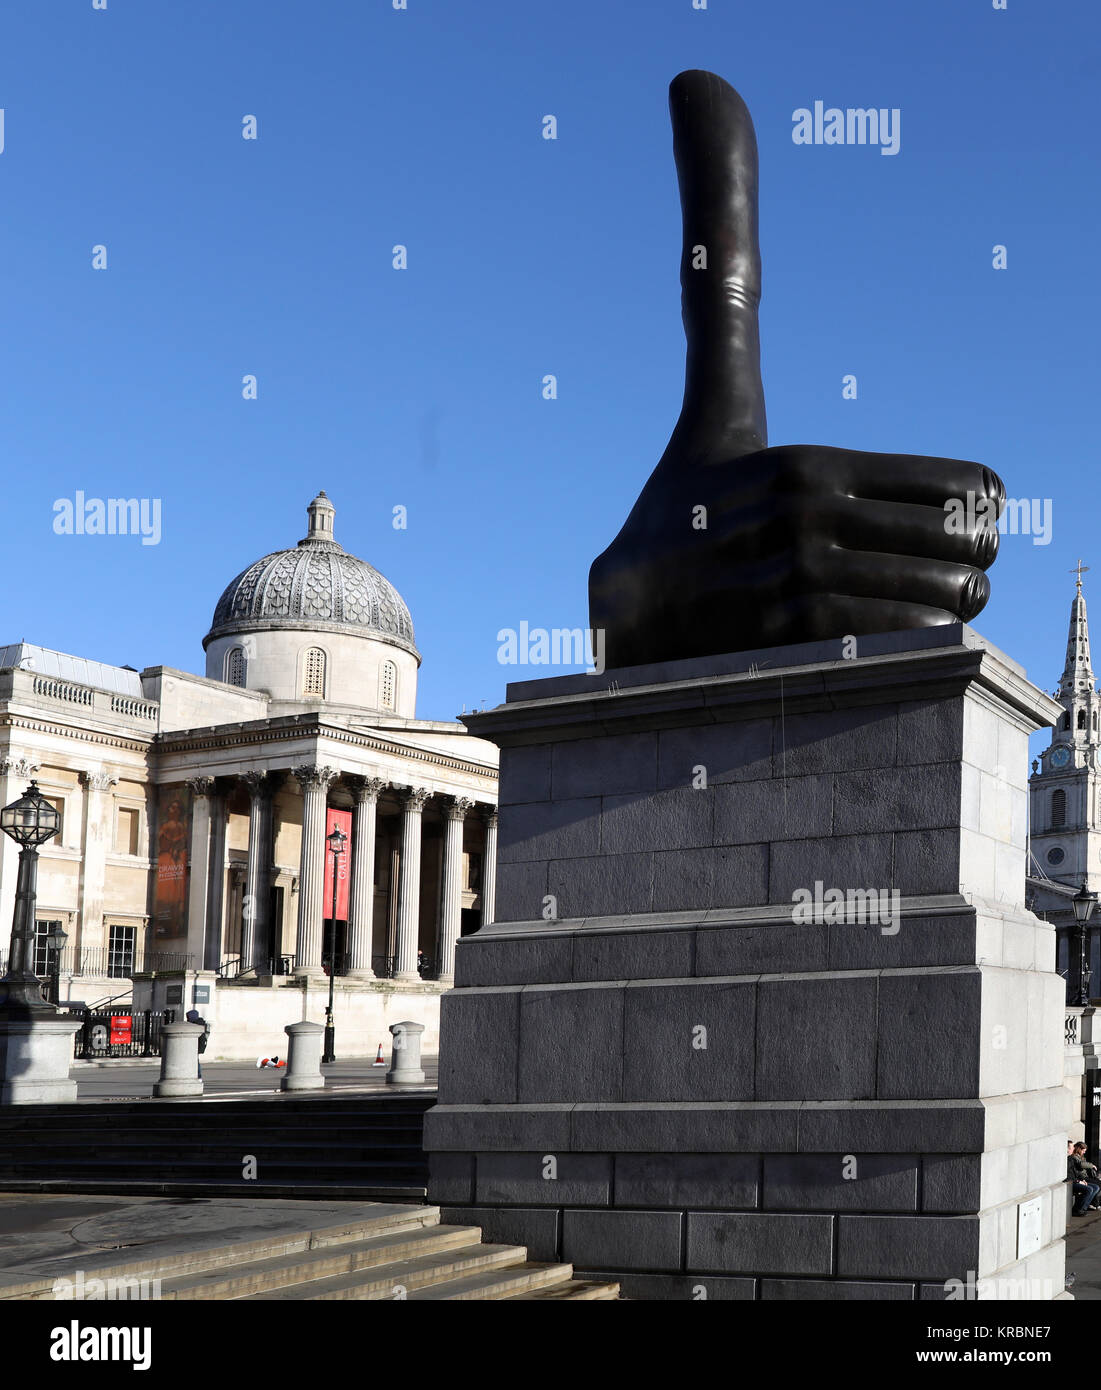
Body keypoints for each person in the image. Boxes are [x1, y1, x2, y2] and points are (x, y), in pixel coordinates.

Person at [1069, 1141, 1101, 1215]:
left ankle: (1085, 1207)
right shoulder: (1073, 1157)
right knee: (1092, 1188)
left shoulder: (1080, 1157)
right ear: (1079, 1149)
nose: (1084, 1152)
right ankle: (1092, 1205)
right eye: (1083, 1150)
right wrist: (1092, 1165)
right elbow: (1081, 1165)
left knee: (1096, 1186)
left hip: (1081, 1178)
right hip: (1080, 1178)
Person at [185, 1009, 209, 1080]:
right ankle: (197, 1076)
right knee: (195, 1061)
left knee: (195, 1061)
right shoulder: (200, 1023)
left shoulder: (197, 1025)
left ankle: (198, 1076)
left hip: (195, 1045)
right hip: (197, 1045)